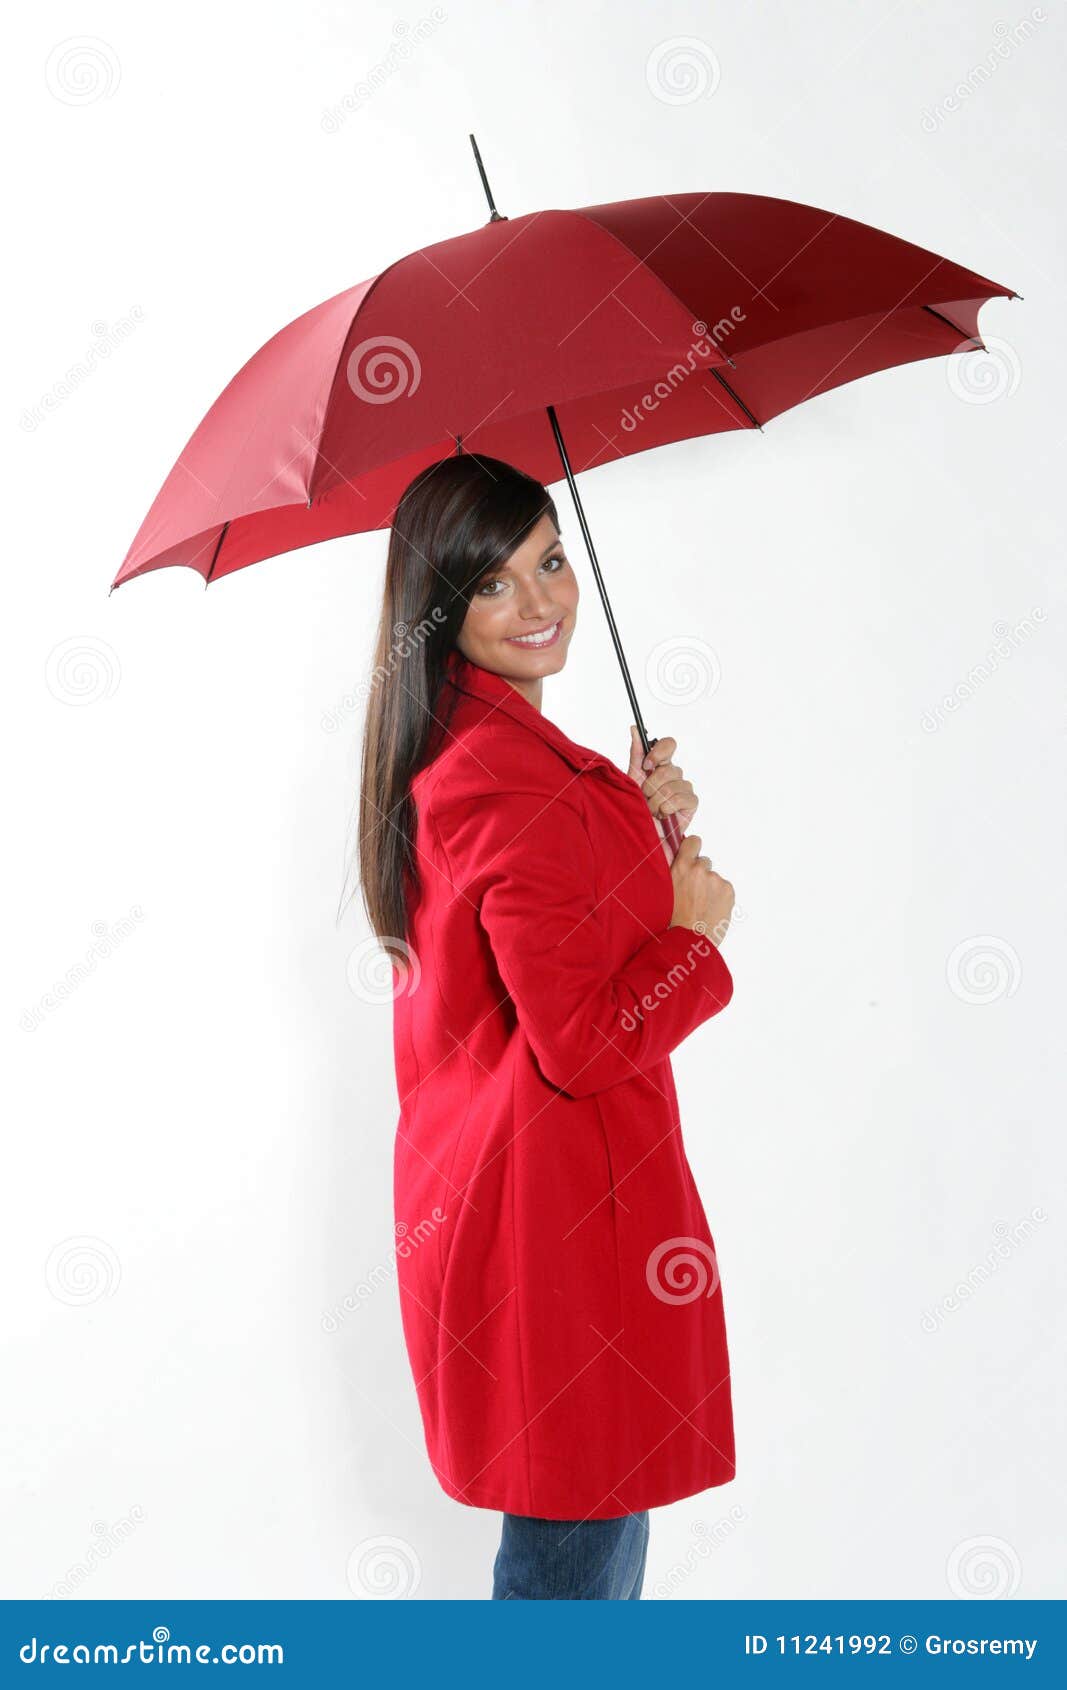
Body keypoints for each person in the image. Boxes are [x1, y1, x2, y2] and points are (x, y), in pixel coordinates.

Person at [357, 453, 737, 1600]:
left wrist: (626, 812)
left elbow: (550, 936)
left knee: (587, 1549)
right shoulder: (505, 782)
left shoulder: (486, 759)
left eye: (552, 560)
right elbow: (578, 1037)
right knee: (572, 1568)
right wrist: (694, 935)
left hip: (533, 1211)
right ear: (439, 608)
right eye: (495, 584)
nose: (544, 602)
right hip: (556, 1230)